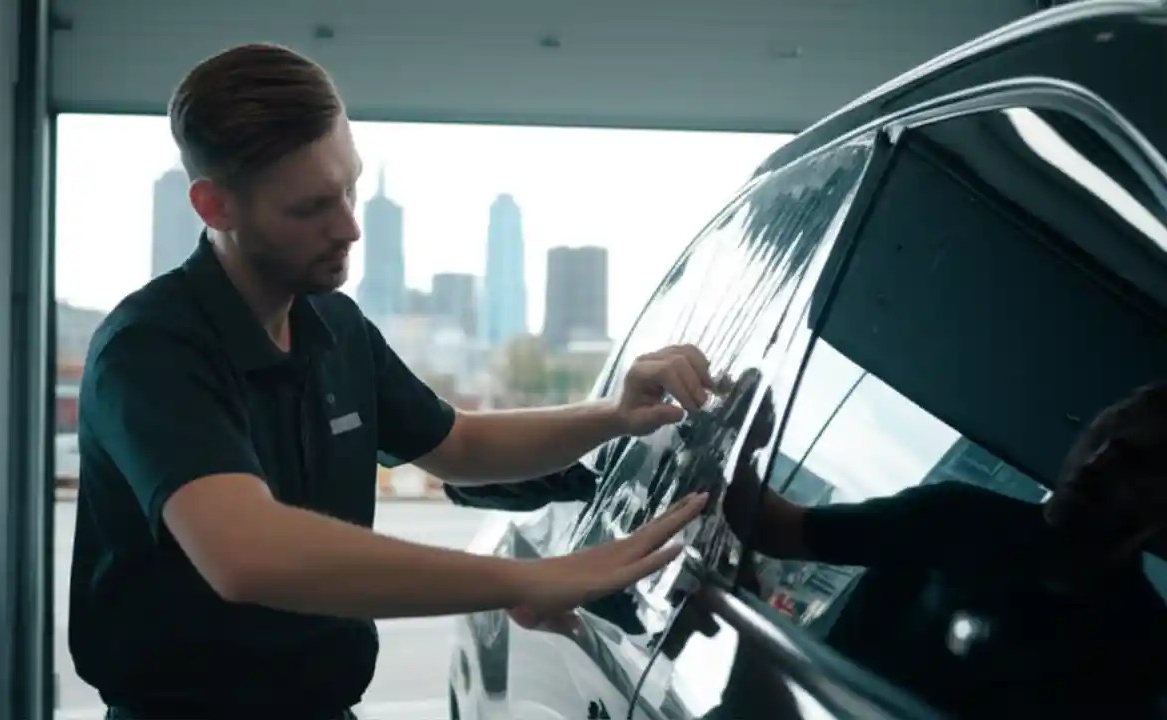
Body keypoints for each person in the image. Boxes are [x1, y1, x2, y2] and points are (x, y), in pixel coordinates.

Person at [68, 43, 716, 720]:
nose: (348, 225)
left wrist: (612, 414)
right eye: (310, 207)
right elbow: (248, 553)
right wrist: (530, 579)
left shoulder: (335, 326)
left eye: (349, 186)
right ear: (215, 206)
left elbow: (458, 444)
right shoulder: (152, 350)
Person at [720, 381, 1167, 716]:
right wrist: (740, 442)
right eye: (1097, 436)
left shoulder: (1143, 651)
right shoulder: (958, 515)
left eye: (1130, 460)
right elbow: (775, 529)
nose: (1095, 462)